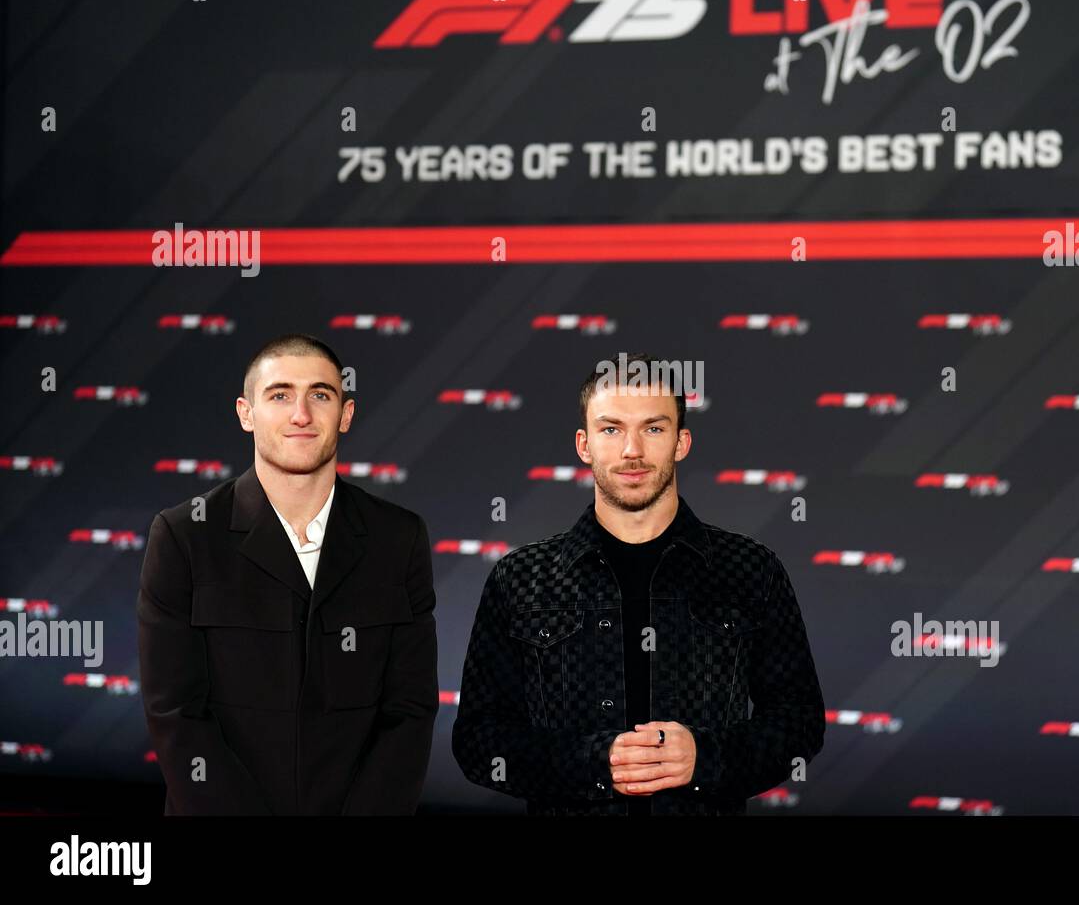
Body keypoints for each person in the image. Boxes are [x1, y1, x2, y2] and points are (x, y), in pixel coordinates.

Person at [452, 352, 825, 814]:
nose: (632, 450)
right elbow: (477, 740)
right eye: (611, 429)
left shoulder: (751, 569)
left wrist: (706, 758)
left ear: (681, 442)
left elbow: (800, 721)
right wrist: (593, 762)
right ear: (584, 445)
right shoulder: (521, 577)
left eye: (653, 428)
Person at [137, 334, 438, 814]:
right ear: (246, 412)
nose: (301, 414)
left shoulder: (398, 538)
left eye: (320, 395)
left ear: (346, 414)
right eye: (279, 395)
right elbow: (176, 715)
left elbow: (410, 711)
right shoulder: (183, 536)